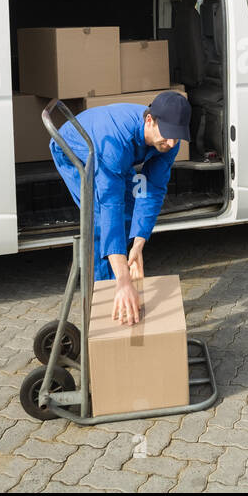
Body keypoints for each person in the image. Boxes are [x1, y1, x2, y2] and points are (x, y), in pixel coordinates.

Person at [49, 90, 190, 326]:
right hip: (73, 151)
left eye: (178, 137)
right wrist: (124, 279)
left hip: (114, 156)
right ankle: (107, 299)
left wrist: (138, 242)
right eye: (167, 135)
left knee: (130, 210)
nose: (172, 143)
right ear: (149, 120)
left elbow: (152, 189)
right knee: (99, 218)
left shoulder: (169, 140)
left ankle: (120, 275)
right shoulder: (115, 141)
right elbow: (109, 204)